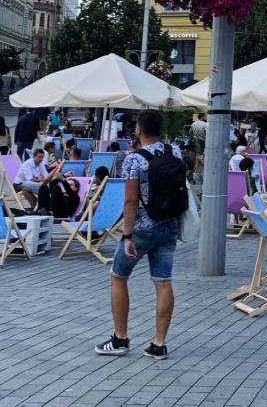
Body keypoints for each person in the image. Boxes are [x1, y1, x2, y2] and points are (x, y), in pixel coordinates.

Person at [96, 109, 183, 360]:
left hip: (143, 229)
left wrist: (126, 236)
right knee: (163, 281)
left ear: (138, 129)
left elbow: (131, 200)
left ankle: (120, 338)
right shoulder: (174, 151)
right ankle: (159, 344)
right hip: (169, 224)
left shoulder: (134, 160)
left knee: (118, 276)